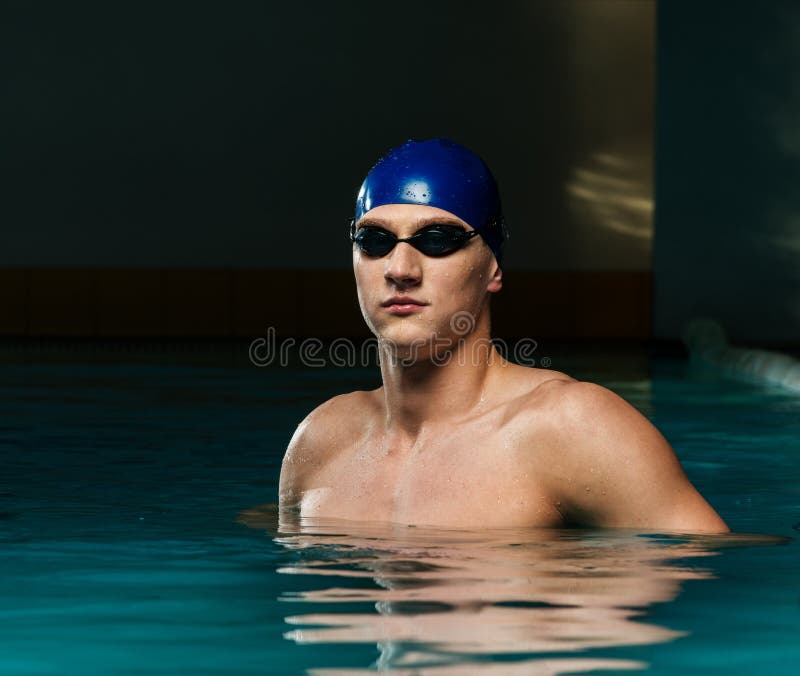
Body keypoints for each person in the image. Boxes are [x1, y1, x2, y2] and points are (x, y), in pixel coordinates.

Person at [277, 138, 730, 533]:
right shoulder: (320, 442)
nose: (399, 269)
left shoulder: (574, 428)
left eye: (437, 240)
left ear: (493, 266)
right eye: (374, 240)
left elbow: (712, 577)